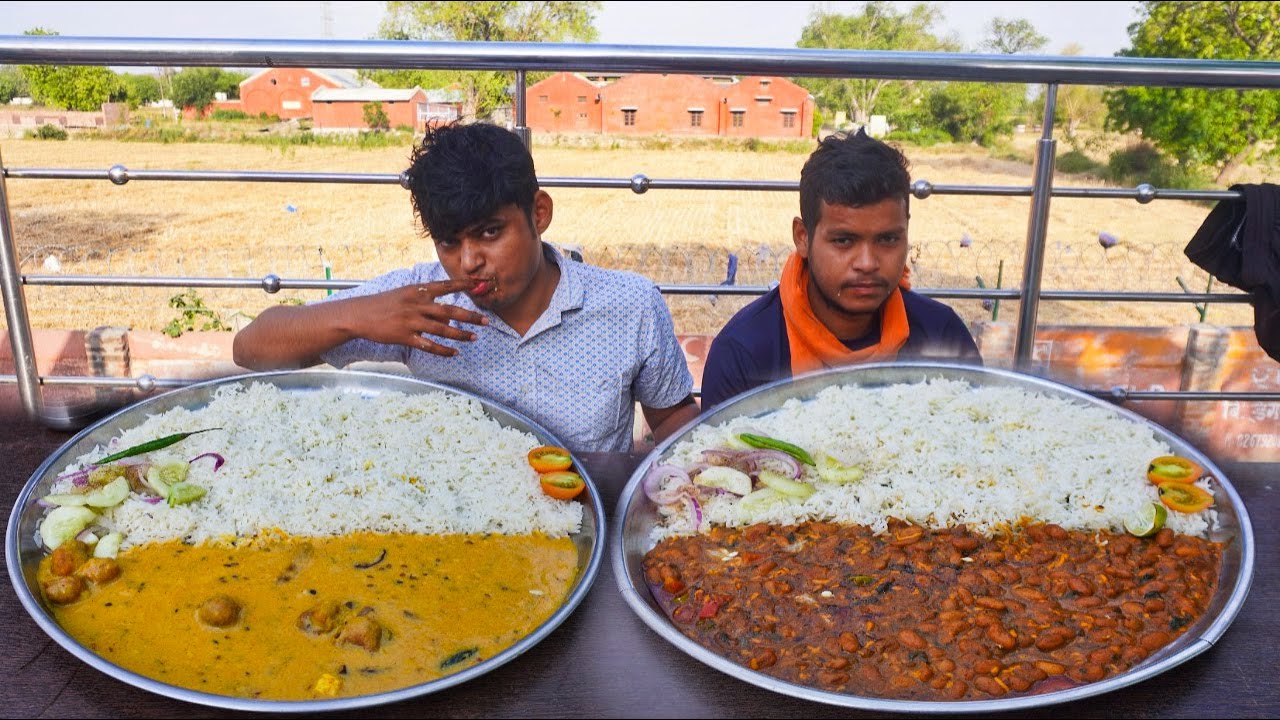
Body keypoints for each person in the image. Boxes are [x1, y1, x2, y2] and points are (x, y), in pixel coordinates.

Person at [233, 122, 698, 452]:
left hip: (588, 514)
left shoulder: (629, 304)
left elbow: (674, 419)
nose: (469, 261)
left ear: (539, 214)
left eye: (490, 232)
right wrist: (358, 316)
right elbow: (250, 349)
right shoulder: (418, 302)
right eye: (449, 242)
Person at [700, 130, 981, 409]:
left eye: (887, 239)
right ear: (803, 237)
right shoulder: (744, 354)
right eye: (844, 241)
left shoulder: (943, 338)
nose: (867, 263)